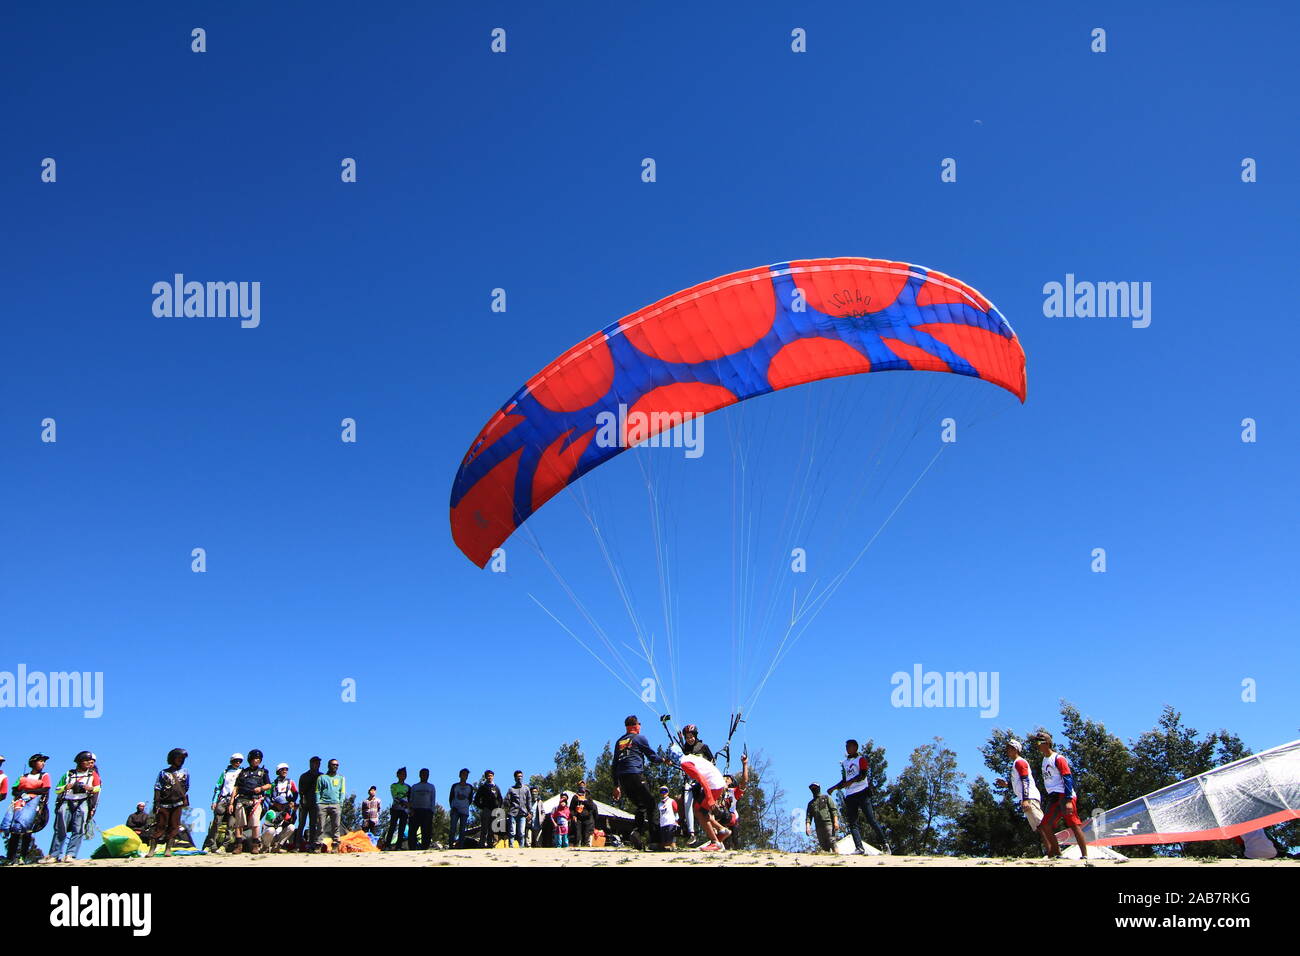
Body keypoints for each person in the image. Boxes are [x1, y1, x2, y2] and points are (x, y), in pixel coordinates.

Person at [827, 739, 890, 854]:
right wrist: (834, 788)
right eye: (846, 747)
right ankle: (859, 847)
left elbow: (863, 774)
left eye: (850, 746)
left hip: (862, 792)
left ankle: (884, 843)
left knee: (871, 819)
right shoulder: (845, 763)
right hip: (850, 795)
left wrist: (851, 782)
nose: (847, 749)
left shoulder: (861, 759)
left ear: (855, 747)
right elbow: (844, 780)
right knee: (852, 822)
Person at [611, 715, 663, 849]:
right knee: (651, 805)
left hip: (623, 778)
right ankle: (655, 842)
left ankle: (636, 832)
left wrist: (616, 786)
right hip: (636, 774)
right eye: (639, 724)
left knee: (641, 806)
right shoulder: (640, 738)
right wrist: (663, 760)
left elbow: (614, 764)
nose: (640, 726)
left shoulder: (619, 741)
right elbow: (651, 756)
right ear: (635, 726)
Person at [1036, 733, 1088, 859]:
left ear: (1047, 743)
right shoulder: (1044, 760)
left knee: (1074, 824)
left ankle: (1085, 855)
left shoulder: (1058, 758)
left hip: (1064, 794)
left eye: (1039, 743)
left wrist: (1069, 799)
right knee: (1045, 825)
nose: (1037, 746)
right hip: (1053, 796)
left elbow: (1067, 777)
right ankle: (1058, 853)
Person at [994, 738, 1050, 855]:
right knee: (1039, 827)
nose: (1007, 751)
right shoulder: (1016, 763)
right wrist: (1007, 784)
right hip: (1027, 797)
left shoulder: (1020, 762)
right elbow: (1019, 782)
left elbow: (1025, 781)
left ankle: (1054, 851)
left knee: (1042, 825)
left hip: (1029, 798)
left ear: (1015, 749)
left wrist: (1025, 799)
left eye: (1009, 748)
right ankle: (1050, 851)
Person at [47, 751, 102, 863]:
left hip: (83, 801)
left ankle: (70, 855)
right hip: (67, 801)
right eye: (86, 761)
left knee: (79, 828)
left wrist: (89, 788)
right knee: (60, 828)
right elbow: (57, 789)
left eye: (89, 761)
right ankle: (54, 855)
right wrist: (66, 787)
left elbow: (98, 788)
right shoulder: (69, 774)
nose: (88, 763)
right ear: (79, 762)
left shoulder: (93, 774)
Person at [2, 754, 52, 864]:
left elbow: (45, 789)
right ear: (33, 763)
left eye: (44, 761)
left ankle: (22, 857)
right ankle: (10, 857)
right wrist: (21, 793)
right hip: (20, 804)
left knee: (27, 831)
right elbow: (14, 790)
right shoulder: (23, 776)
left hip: (34, 804)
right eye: (41, 761)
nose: (43, 763)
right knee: (15, 830)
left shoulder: (44, 775)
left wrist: (29, 792)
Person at [148, 748, 190, 858]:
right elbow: (157, 787)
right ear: (172, 759)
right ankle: (152, 849)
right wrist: (156, 803)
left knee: (174, 826)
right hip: (163, 803)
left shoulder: (185, 772)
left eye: (182, 759)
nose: (180, 760)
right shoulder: (163, 773)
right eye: (178, 758)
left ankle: (168, 849)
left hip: (177, 803)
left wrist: (182, 797)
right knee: (160, 826)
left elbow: (186, 786)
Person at [230, 749, 272, 854]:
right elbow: (236, 788)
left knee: (255, 823)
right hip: (242, 799)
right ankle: (238, 846)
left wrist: (261, 788)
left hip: (256, 800)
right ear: (250, 759)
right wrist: (231, 803)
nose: (256, 761)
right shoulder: (243, 772)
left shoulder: (263, 772)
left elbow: (269, 785)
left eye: (258, 759)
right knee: (239, 824)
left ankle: (255, 846)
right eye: (254, 758)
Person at [678, 724, 713, 845]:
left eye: (691, 736)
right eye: (687, 737)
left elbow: (712, 762)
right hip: (690, 780)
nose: (689, 739)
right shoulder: (684, 749)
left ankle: (712, 831)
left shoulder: (703, 747)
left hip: (702, 780)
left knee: (703, 807)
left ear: (695, 736)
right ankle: (691, 833)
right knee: (687, 804)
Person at [203, 753, 243, 852]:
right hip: (223, 799)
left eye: (240, 761)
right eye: (236, 760)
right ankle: (211, 844)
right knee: (216, 822)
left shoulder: (242, 772)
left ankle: (225, 846)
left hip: (235, 800)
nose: (238, 762)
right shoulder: (225, 772)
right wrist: (214, 801)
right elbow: (218, 787)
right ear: (231, 761)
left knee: (231, 824)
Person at [316, 759, 346, 853]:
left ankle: (335, 845)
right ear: (329, 765)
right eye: (333, 764)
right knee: (320, 826)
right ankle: (318, 845)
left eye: (337, 765)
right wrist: (318, 803)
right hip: (323, 804)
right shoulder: (322, 778)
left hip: (335, 804)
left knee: (336, 826)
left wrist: (340, 803)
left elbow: (342, 791)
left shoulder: (341, 778)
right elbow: (317, 791)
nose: (335, 766)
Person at [266, 763, 298, 843]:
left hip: (287, 806)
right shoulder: (273, 783)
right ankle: (270, 841)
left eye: (286, 769)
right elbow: (267, 795)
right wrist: (271, 804)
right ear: (278, 771)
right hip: (275, 807)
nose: (285, 771)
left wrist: (292, 802)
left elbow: (296, 793)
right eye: (282, 769)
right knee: (274, 824)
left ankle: (282, 843)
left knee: (289, 823)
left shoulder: (290, 782)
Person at [297, 756, 323, 851]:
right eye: (315, 762)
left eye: (318, 763)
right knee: (301, 824)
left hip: (315, 803)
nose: (317, 764)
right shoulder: (304, 776)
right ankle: (297, 844)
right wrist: (303, 799)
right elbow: (301, 790)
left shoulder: (321, 776)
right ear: (311, 764)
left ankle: (311, 844)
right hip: (305, 803)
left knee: (313, 825)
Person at [473, 770, 503, 848]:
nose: (490, 777)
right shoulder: (483, 787)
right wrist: (482, 806)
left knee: (492, 828)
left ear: (493, 777)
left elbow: (500, 799)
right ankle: (481, 844)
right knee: (484, 828)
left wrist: (499, 808)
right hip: (486, 810)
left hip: (495, 811)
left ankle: (490, 845)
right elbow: (476, 799)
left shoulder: (496, 787)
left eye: (491, 776)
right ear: (486, 777)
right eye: (488, 776)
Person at [383, 767, 411, 850]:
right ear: (398, 775)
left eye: (405, 774)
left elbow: (410, 799)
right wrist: (404, 802)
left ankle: (398, 846)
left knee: (402, 828)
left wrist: (409, 807)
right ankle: (387, 845)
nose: (403, 776)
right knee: (392, 827)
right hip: (395, 808)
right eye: (402, 774)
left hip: (404, 810)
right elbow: (395, 797)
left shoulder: (408, 787)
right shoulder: (394, 785)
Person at [408, 770, 436, 850]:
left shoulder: (431, 787)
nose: (425, 776)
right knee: (412, 831)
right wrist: (410, 810)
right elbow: (411, 799)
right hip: (415, 811)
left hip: (427, 811)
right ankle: (412, 847)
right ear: (420, 775)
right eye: (423, 774)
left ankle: (425, 847)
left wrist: (432, 811)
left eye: (426, 774)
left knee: (426, 831)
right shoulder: (414, 786)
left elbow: (433, 799)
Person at [805, 782, 838, 852]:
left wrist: (836, 822)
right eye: (812, 788)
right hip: (818, 827)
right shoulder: (811, 804)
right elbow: (808, 817)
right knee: (824, 847)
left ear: (819, 788)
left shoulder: (826, 798)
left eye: (815, 788)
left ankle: (837, 857)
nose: (814, 789)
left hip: (828, 825)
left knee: (832, 843)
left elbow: (833, 810)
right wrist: (807, 827)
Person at [505, 770, 533, 848]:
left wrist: (530, 812)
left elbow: (529, 801)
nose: (519, 778)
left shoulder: (526, 789)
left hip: (523, 813)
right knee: (512, 831)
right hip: (513, 813)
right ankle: (511, 846)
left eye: (521, 776)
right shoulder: (511, 789)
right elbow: (506, 800)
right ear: (515, 778)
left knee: (521, 832)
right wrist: (508, 807)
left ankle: (521, 847)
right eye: (518, 777)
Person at [447, 768, 474, 849]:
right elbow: (451, 797)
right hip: (455, 809)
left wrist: (465, 805)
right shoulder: (455, 786)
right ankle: (451, 845)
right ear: (459, 775)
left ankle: (460, 845)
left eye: (466, 775)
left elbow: (470, 799)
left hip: (464, 810)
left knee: (462, 829)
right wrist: (452, 807)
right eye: (463, 774)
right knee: (453, 828)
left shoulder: (470, 787)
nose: (464, 776)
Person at [655, 785, 679, 850]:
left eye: (665, 791)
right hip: (662, 824)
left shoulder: (671, 801)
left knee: (671, 839)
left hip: (671, 822)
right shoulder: (659, 804)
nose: (663, 793)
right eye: (661, 791)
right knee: (663, 840)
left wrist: (676, 821)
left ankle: (673, 847)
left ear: (667, 792)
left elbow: (676, 811)